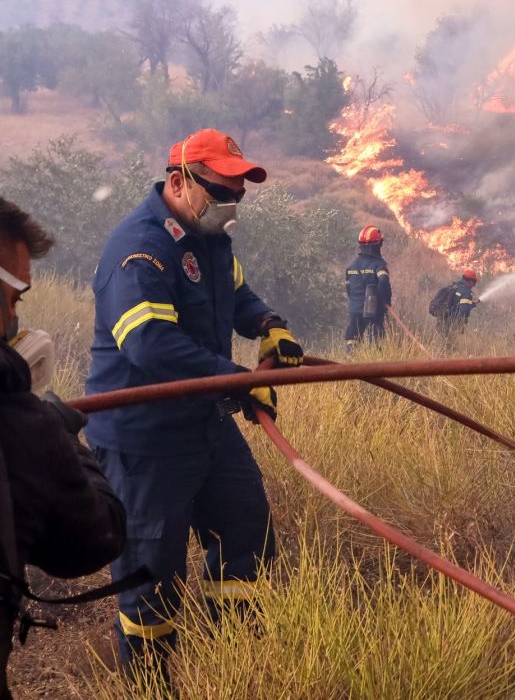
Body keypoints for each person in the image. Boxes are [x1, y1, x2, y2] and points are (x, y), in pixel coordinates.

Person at [83, 129, 304, 678]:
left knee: (245, 529)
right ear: (179, 181)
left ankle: (231, 659)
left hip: (204, 423)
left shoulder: (211, 237)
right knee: (150, 577)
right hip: (144, 439)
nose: (231, 203)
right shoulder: (140, 248)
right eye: (221, 191)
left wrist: (268, 324)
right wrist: (238, 380)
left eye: (238, 193)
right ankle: (151, 684)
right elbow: (149, 344)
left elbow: (237, 294)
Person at [0, 199, 126, 698]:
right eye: (13, 299)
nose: (14, 320)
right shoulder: (20, 428)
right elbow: (96, 538)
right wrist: (63, 437)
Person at [343, 225, 393, 353]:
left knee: (352, 340)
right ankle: (374, 361)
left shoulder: (351, 266)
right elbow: (383, 282)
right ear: (377, 245)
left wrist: (355, 301)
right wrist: (385, 302)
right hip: (373, 310)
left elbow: (348, 289)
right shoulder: (379, 265)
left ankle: (349, 362)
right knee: (376, 341)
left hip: (355, 309)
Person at [429, 269, 479, 341]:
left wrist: (472, 302)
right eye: (474, 283)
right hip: (451, 325)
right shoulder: (466, 292)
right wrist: (473, 303)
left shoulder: (454, 287)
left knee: (444, 343)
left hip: (441, 322)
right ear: (471, 281)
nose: (474, 285)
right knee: (450, 345)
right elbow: (464, 311)